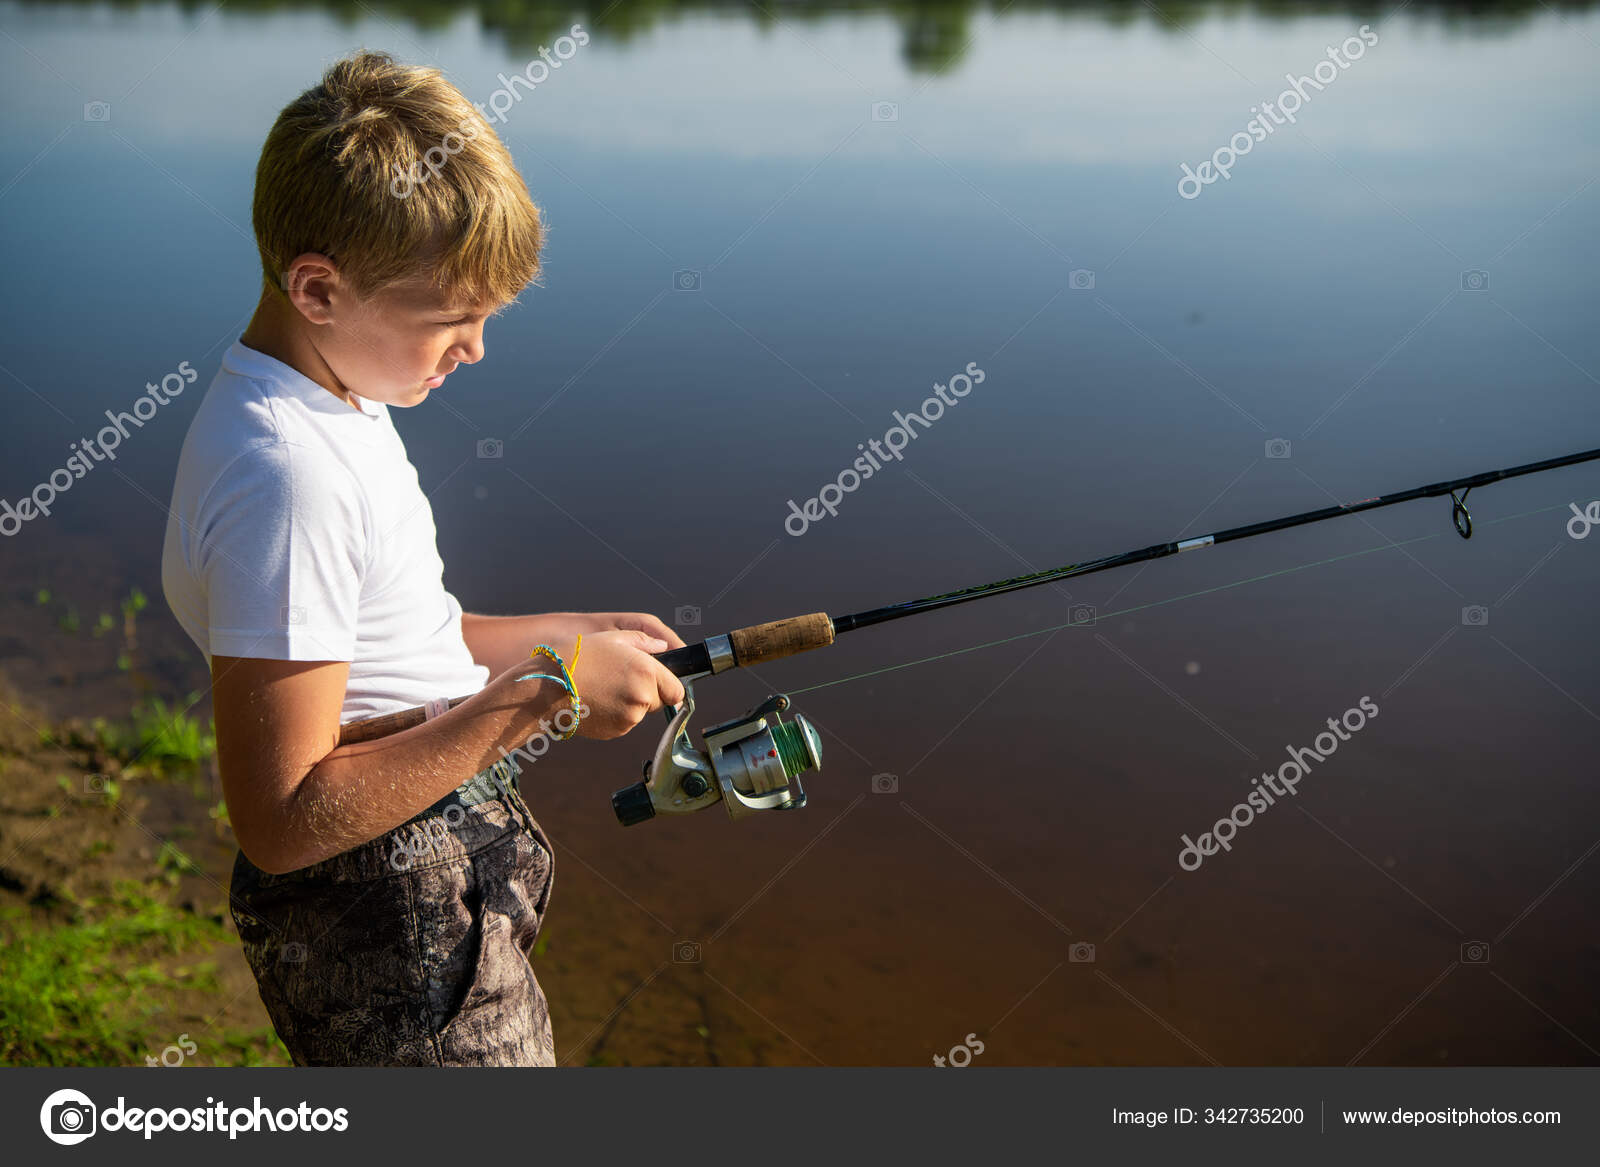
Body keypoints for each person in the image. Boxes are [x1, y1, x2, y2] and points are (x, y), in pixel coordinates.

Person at [159, 48, 686, 1066]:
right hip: (387, 924)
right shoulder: (287, 477)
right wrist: (550, 693)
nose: (476, 350)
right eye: (453, 320)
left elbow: (401, 643)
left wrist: (557, 636)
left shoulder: (336, 400)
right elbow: (282, 818)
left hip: (429, 891)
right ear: (319, 288)